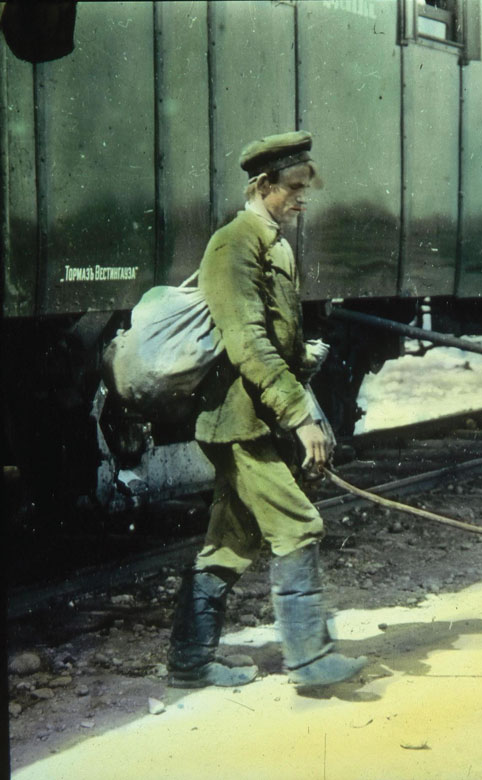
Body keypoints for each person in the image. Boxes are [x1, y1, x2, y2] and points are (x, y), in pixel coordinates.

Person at [167, 130, 366, 689]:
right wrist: (301, 414)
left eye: (307, 187)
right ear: (262, 185)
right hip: (239, 421)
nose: (304, 198)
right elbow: (246, 338)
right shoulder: (235, 242)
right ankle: (310, 660)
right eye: (295, 188)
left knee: (231, 541)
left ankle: (189, 661)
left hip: (256, 416)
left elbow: (271, 333)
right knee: (298, 527)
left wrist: (303, 354)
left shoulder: (273, 241)